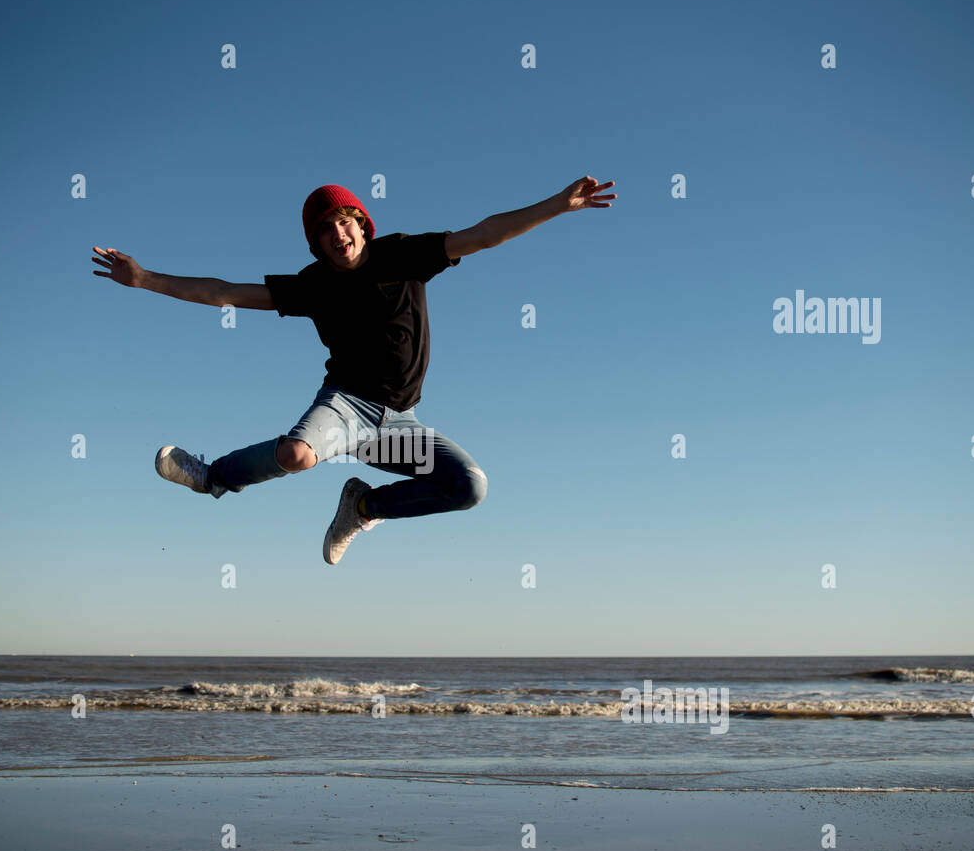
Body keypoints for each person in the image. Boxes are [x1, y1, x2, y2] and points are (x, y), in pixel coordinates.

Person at [92, 176, 616, 564]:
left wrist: (559, 205)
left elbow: (484, 235)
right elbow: (225, 291)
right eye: (325, 230)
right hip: (346, 407)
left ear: (362, 223)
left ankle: (363, 506)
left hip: (399, 425)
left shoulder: (405, 256)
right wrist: (144, 279)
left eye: (345, 221)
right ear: (317, 244)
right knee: (298, 454)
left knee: (469, 487)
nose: (338, 233)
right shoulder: (313, 284)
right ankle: (212, 476)